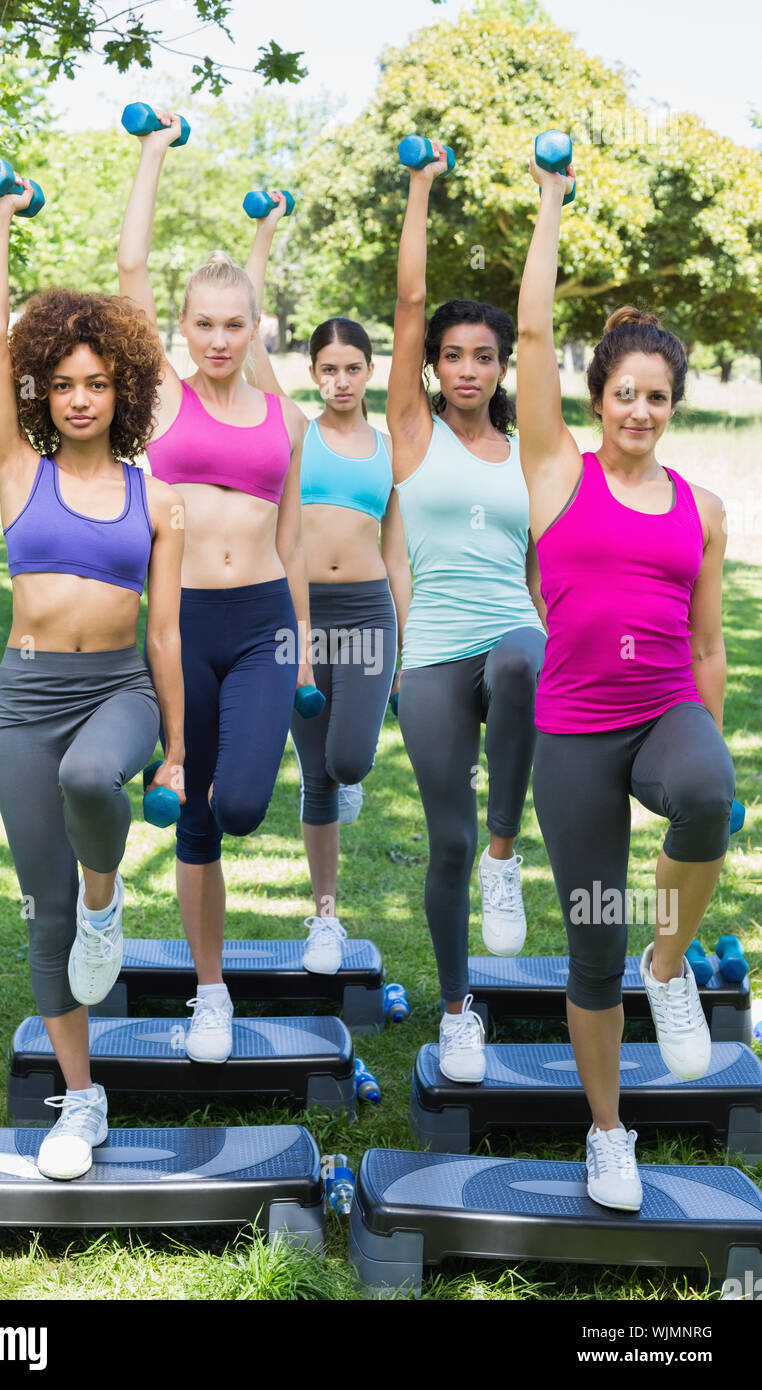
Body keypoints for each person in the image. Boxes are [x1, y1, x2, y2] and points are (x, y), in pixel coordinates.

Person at [517, 147, 734, 1211]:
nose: (637, 410)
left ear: (671, 404)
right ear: (594, 396)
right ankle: (607, 1133)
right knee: (588, 942)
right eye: (621, 393)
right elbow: (524, 336)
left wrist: (709, 725)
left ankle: (670, 963)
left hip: (661, 711)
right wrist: (550, 207)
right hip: (571, 735)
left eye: (655, 397)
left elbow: (705, 644)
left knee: (707, 796)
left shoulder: (700, 510)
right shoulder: (559, 469)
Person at [0, 176, 185, 1180]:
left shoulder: (157, 502)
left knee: (92, 782)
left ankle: (109, 900)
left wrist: (179, 751)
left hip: (118, 692)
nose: (78, 396)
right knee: (42, 913)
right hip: (24, 701)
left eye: (96, 381)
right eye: (62, 381)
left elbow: (169, 638)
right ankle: (83, 1097)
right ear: (42, 390)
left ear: (123, 390)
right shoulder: (19, 471)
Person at [117, 112, 312, 1062]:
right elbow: (130, 275)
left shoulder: (286, 415)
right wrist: (154, 154)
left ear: (255, 327)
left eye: (237, 323)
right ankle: (209, 992)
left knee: (239, 804)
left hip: (265, 618)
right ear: (185, 329)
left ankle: (212, 974)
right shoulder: (162, 391)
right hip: (182, 619)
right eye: (205, 323)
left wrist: (309, 639)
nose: (221, 337)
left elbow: (294, 533)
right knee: (195, 817)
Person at [388, 142, 547, 1083]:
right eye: (451, 356)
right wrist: (420, 189)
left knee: (527, 656)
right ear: (434, 366)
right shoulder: (412, 434)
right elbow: (407, 304)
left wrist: (549, 203)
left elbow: (536, 575)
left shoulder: (532, 451)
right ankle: (456, 1010)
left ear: (500, 367)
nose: (466, 369)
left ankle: (506, 849)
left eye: (483, 357)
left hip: (512, 635)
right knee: (439, 842)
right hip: (435, 655)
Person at [246, 198, 411, 972]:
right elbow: (246, 342)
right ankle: (324, 917)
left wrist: (411, 646)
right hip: (300, 615)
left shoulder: (391, 448)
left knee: (350, 761)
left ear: (369, 370)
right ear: (314, 374)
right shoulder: (295, 431)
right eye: (327, 370)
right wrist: (264, 235)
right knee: (316, 776)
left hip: (370, 610)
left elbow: (400, 554)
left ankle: (351, 782)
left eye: (352, 368)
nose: (340, 380)